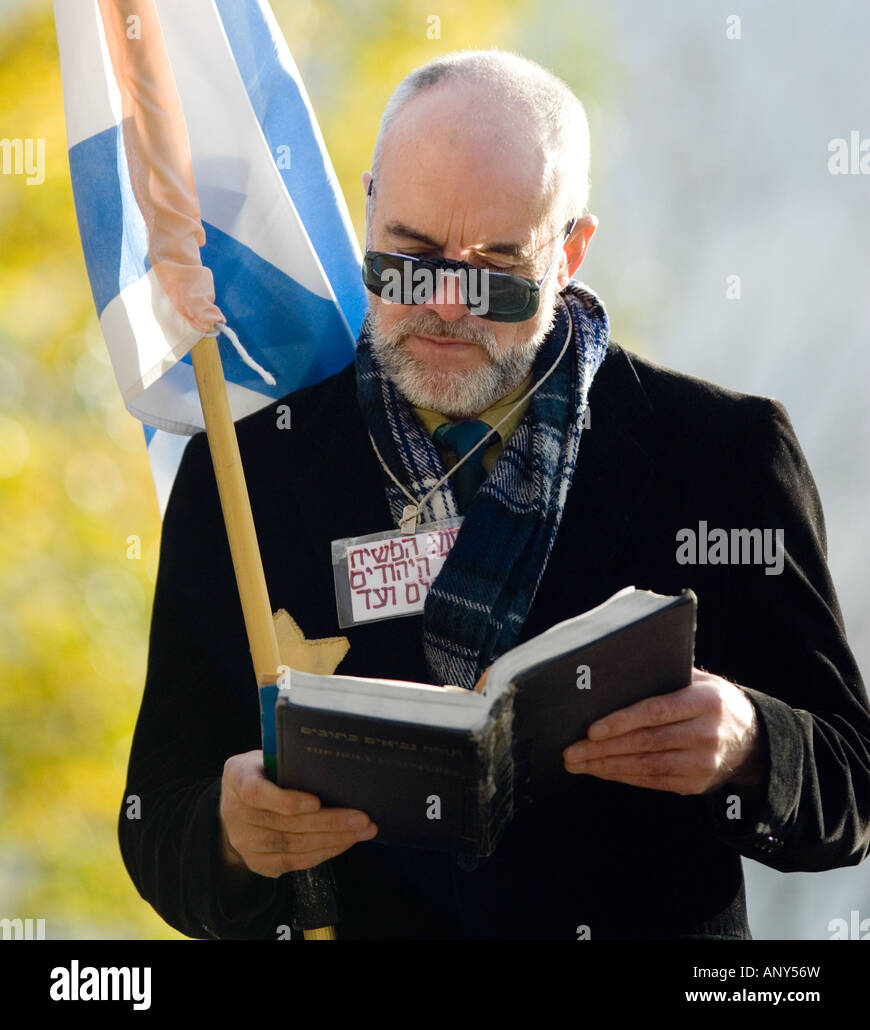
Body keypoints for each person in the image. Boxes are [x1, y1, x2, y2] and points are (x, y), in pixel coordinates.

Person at [119, 49, 870, 940]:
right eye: (407, 260)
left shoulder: (723, 455)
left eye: (494, 273)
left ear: (570, 254)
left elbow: (850, 793)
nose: (443, 304)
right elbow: (154, 819)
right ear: (368, 214)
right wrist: (233, 836)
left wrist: (749, 744)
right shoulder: (248, 475)